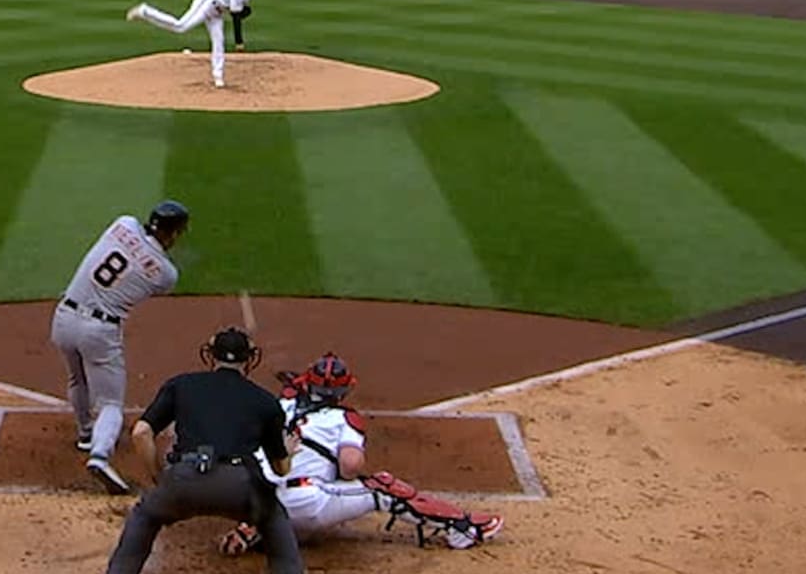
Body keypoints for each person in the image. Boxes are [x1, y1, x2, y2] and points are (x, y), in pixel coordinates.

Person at [218, 353, 504, 556]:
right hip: (305, 503)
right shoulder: (345, 419)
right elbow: (350, 467)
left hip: (250, 495)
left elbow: (289, 394)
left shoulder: (282, 404)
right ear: (345, 389)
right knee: (382, 486)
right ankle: (462, 529)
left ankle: (261, 525)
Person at [105, 327, 306, 574]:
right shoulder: (266, 401)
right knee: (274, 519)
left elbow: (141, 433)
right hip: (239, 487)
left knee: (145, 516)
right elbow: (280, 468)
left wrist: (160, 478)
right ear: (250, 358)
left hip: (184, 479)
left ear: (210, 355)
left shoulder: (181, 385)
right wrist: (287, 452)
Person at [50, 200, 190, 495]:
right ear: (175, 233)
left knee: (77, 378)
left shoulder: (123, 223)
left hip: (63, 317)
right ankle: (100, 455)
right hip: (99, 331)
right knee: (112, 403)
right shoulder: (166, 275)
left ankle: (85, 434)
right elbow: (151, 271)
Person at [124, 0, 256, 89]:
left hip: (217, 13)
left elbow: (236, 11)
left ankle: (218, 76)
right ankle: (145, 11)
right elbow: (235, 17)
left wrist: (243, 12)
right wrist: (239, 41)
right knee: (180, 26)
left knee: (218, 42)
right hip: (206, 4)